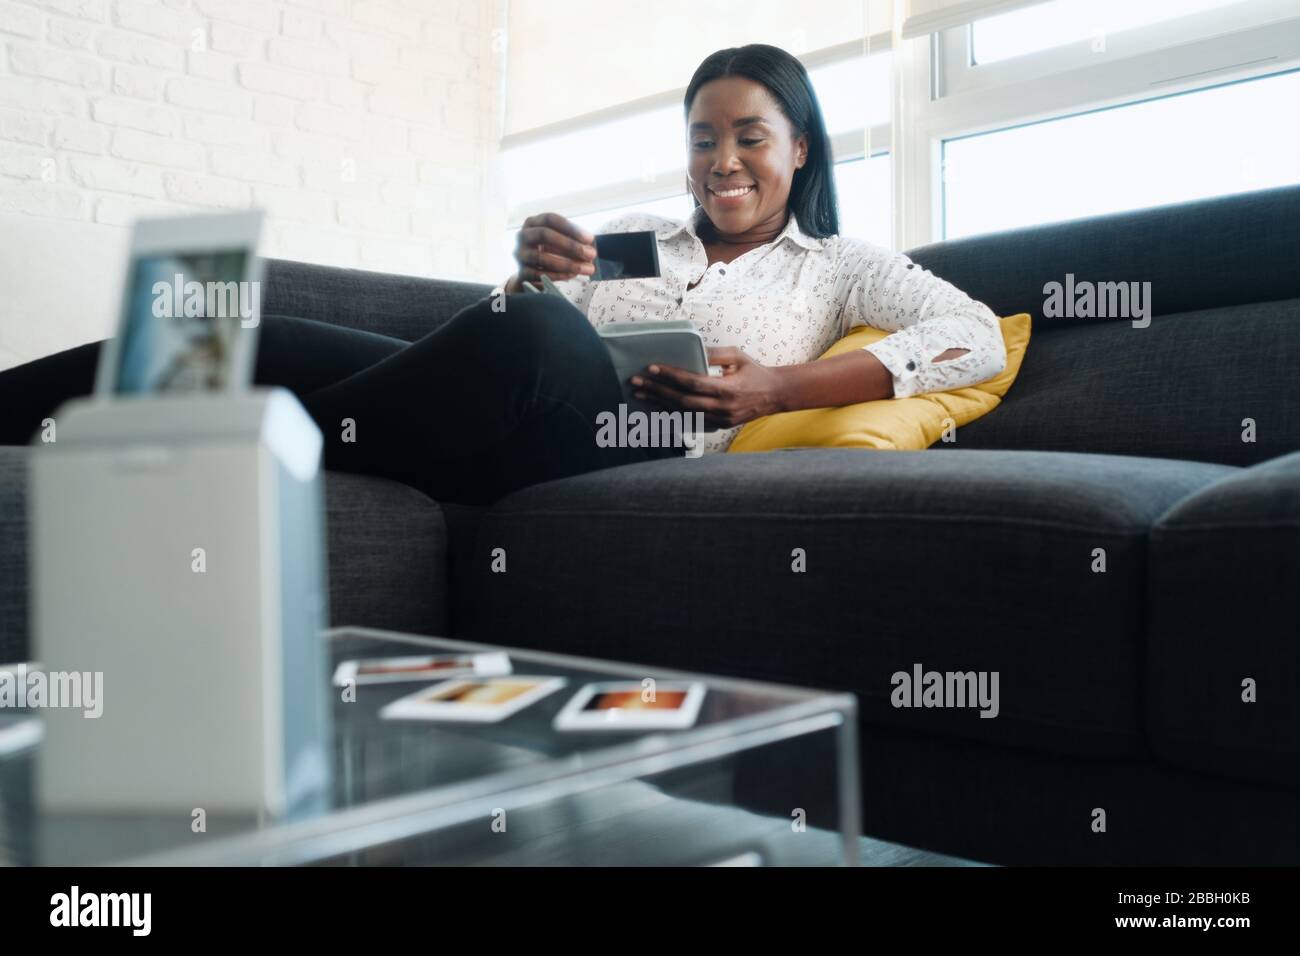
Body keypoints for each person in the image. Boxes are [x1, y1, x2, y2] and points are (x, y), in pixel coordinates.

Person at [0, 44, 1005, 505]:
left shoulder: (837, 268)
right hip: (507, 415)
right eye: (703, 139)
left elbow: (973, 335)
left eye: (750, 137)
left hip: (633, 446)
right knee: (261, 328)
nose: (722, 160)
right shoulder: (638, 237)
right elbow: (507, 339)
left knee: (539, 335)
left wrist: (779, 387)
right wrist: (530, 276)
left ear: (800, 151)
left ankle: (225, 443)